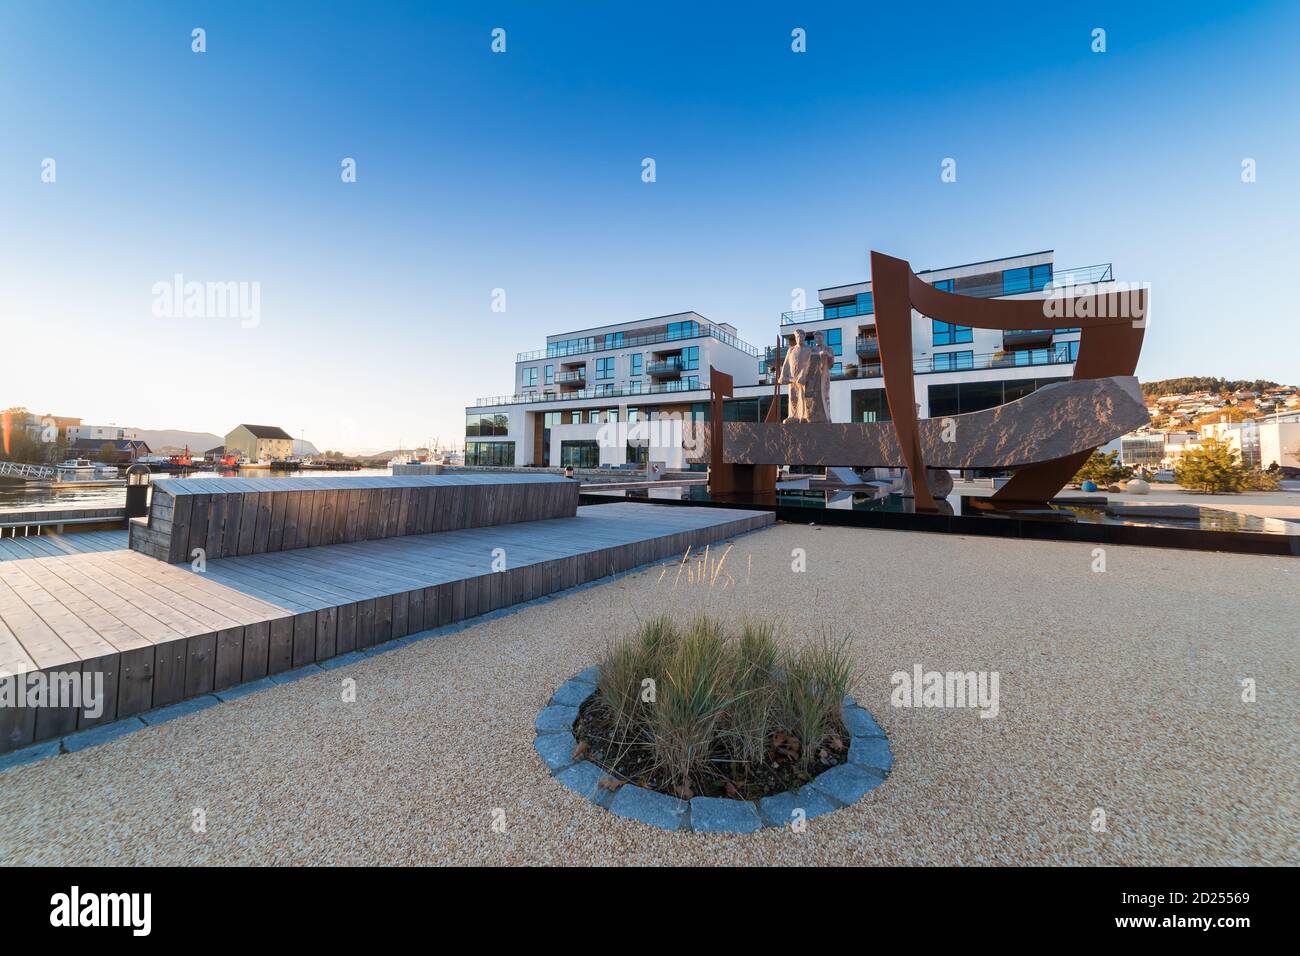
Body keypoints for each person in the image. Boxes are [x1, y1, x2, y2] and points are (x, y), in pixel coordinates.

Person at [779, 334, 812, 422]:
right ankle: (793, 416)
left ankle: (804, 416)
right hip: (792, 378)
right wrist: (782, 375)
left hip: (803, 378)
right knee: (792, 397)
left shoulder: (808, 349)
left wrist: (804, 374)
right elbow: (786, 363)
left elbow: (810, 363)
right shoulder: (791, 349)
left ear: (804, 338)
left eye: (801, 337)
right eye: (797, 337)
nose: (799, 339)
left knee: (803, 396)